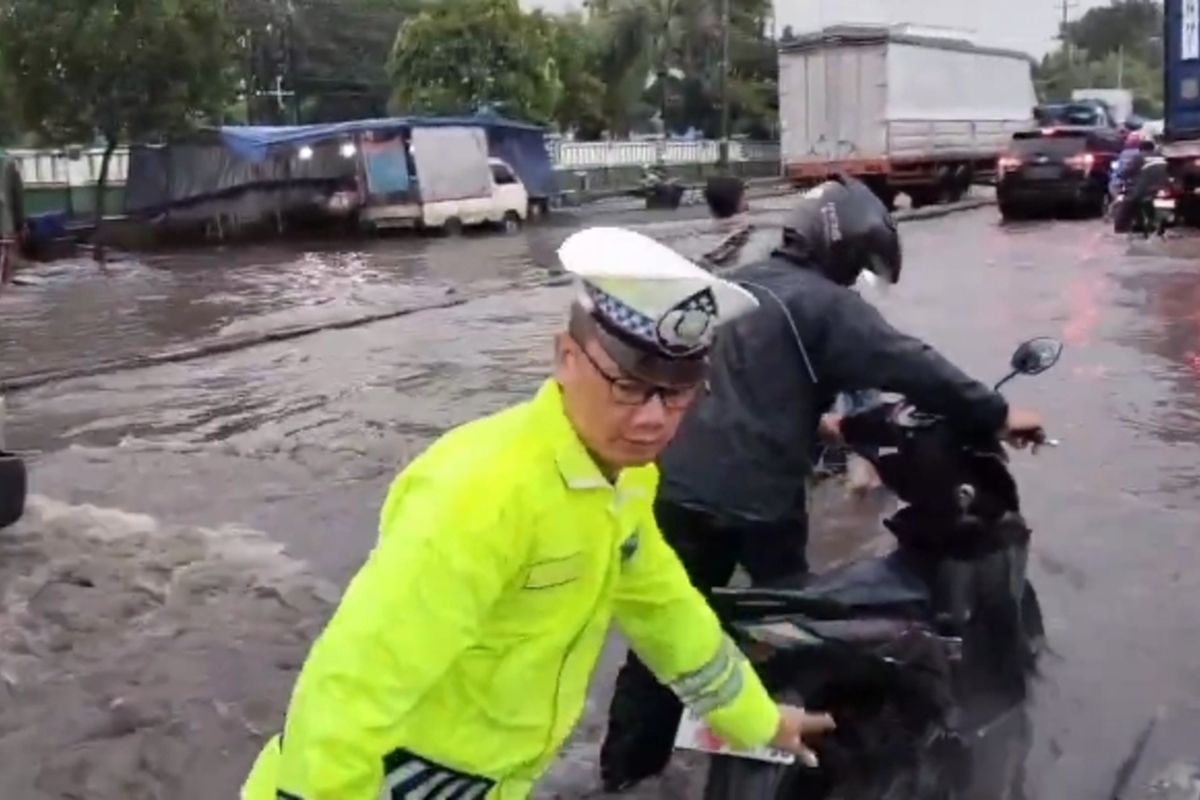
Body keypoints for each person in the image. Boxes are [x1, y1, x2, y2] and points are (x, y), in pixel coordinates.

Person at [240, 226, 836, 800]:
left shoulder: (622, 482)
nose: (653, 418)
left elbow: (670, 616)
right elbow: (348, 694)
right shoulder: (482, 494)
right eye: (627, 387)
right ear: (565, 358)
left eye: (676, 393)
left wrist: (762, 722)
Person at [599, 175, 1046, 792]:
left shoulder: (741, 286)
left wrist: (828, 426)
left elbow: (744, 386)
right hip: (757, 502)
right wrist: (998, 414)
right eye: (860, 262)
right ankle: (802, 755)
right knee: (800, 634)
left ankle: (625, 775)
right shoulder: (823, 302)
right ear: (843, 249)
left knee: (660, 643)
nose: (855, 277)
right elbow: (911, 364)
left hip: (672, 488)